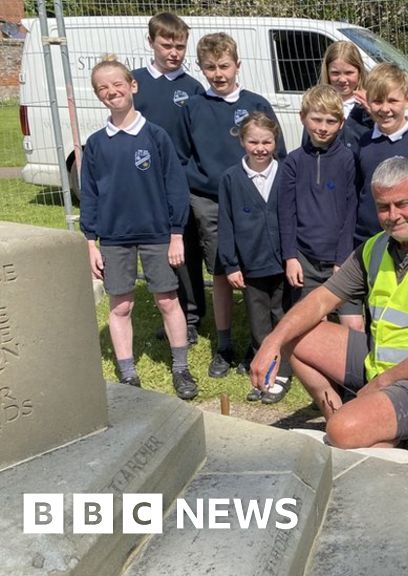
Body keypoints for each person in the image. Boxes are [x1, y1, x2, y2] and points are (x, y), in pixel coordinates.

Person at [250, 156, 408, 449]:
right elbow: (321, 299)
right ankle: (347, 418)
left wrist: (379, 384)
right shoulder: (376, 247)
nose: (393, 215)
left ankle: (363, 430)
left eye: (402, 204)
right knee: (294, 334)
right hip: (382, 363)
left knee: (343, 431)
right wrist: (273, 341)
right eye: (383, 207)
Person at [79, 56, 198, 400]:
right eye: (103, 88)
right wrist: (91, 242)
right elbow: (90, 194)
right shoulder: (97, 143)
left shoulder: (156, 137)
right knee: (121, 307)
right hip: (114, 238)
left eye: (117, 84)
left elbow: (176, 188)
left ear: (132, 86)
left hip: (158, 234)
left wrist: (176, 233)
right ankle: (128, 375)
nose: (111, 91)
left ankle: (181, 368)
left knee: (167, 301)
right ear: (98, 95)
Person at [181, 32, 287, 378]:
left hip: (255, 200)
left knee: (261, 273)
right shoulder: (194, 106)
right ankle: (224, 346)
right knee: (224, 273)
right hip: (211, 202)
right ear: (201, 69)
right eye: (210, 68)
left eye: (224, 65)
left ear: (237, 65)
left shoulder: (256, 104)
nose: (218, 73)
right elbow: (184, 155)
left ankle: (267, 341)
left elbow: (278, 153)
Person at [132, 12, 204, 347]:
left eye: (180, 46)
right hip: (146, 185)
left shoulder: (193, 88)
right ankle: (169, 309)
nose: (173, 52)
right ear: (151, 42)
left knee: (185, 249)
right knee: (159, 251)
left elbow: (198, 138)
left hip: (182, 184)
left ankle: (191, 317)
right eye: (166, 45)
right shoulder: (134, 84)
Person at [217, 112, 293, 404]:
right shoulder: (231, 178)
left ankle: (283, 370)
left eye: (266, 142)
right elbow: (225, 223)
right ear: (242, 141)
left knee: (283, 316)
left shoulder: (286, 173)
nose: (260, 148)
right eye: (253, 142)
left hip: (283, 264)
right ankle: (265, 371)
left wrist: (292, 256)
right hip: (251, 265)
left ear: (275, 141)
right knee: (259, 321)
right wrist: (231, 264)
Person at [278, 85, 359, 329]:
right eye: (316, 119)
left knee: (353, 324)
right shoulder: (293, 162)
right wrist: (291, 257)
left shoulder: (348, 160)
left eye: (331, 121)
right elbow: (286, 213)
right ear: (303, 117)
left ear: (341, 123)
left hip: (341, 259)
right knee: (312, 326)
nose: (323, 127)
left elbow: (351, 212)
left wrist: (342, 258)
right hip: (305, 259)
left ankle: (352, 367)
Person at [353, 63, 408, 246]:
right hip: (366, 242)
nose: (385, 109)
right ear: (367, 102)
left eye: (392, 101)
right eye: (377, 101)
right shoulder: (363, 143)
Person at [320, 41, 374, 149]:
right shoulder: (319, 104)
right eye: (335, 73)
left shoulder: (370, 105)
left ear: (359, 72)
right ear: (327, 72)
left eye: (349, 73)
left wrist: (374, 113)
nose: (342, 79)